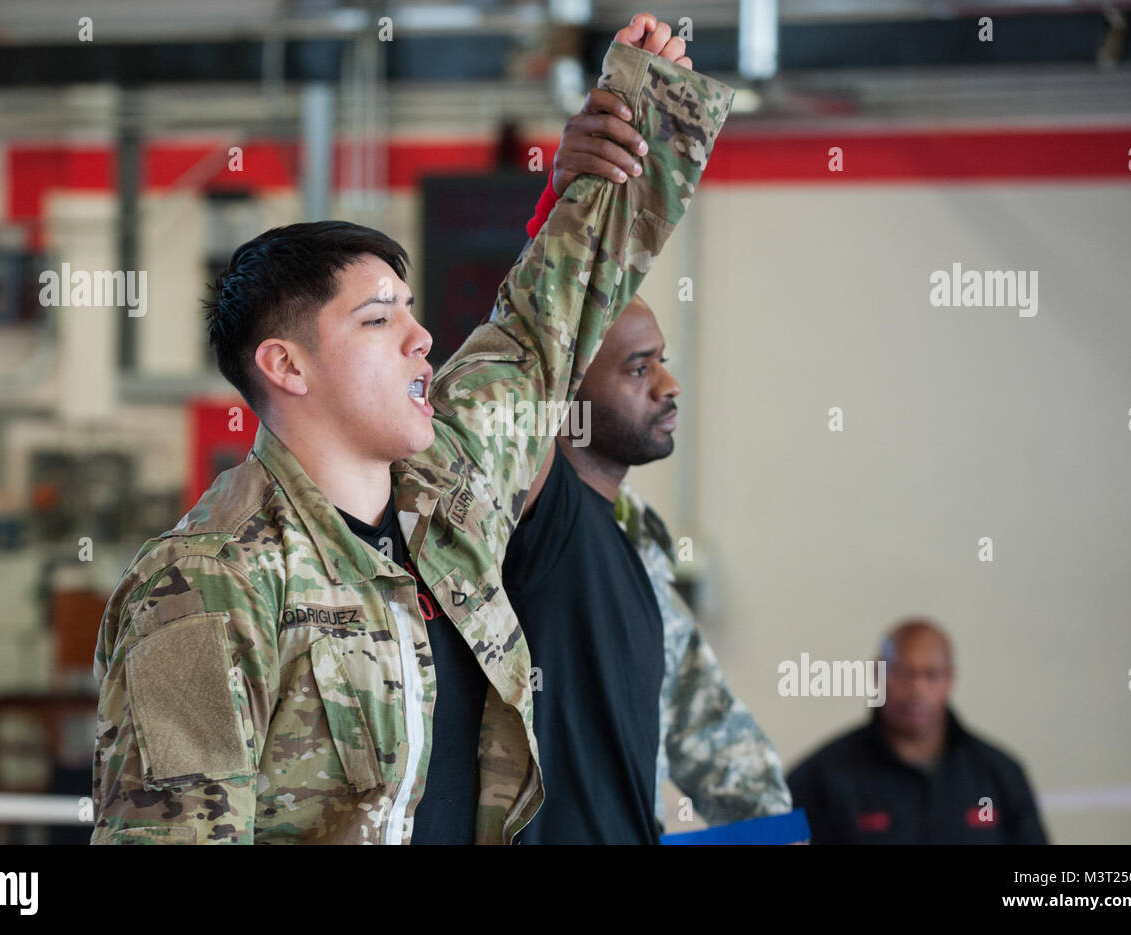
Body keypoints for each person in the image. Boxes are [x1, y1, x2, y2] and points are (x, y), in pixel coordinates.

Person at [89, 13, 734, 845]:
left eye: (413, 310)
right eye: (377, 319)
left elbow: (547, 320)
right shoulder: (207, 584)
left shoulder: (447, 489)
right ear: (287, 367)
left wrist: (634, 123)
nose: (421, 337)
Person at [498, 106, 791, 842]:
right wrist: (565, 209)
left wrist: (774, 833)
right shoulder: (531, 513)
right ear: (566, 390)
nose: (668, 384)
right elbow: (524, 359)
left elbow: (701, 712)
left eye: (662, 357)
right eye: (638, 367)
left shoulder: (639, 538)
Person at [787, 618, 1048, 844]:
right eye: (902, 673)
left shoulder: (999, 775)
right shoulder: (821, 777)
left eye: (931, 675)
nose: (916, 690)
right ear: (877, 673)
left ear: (949, 679)